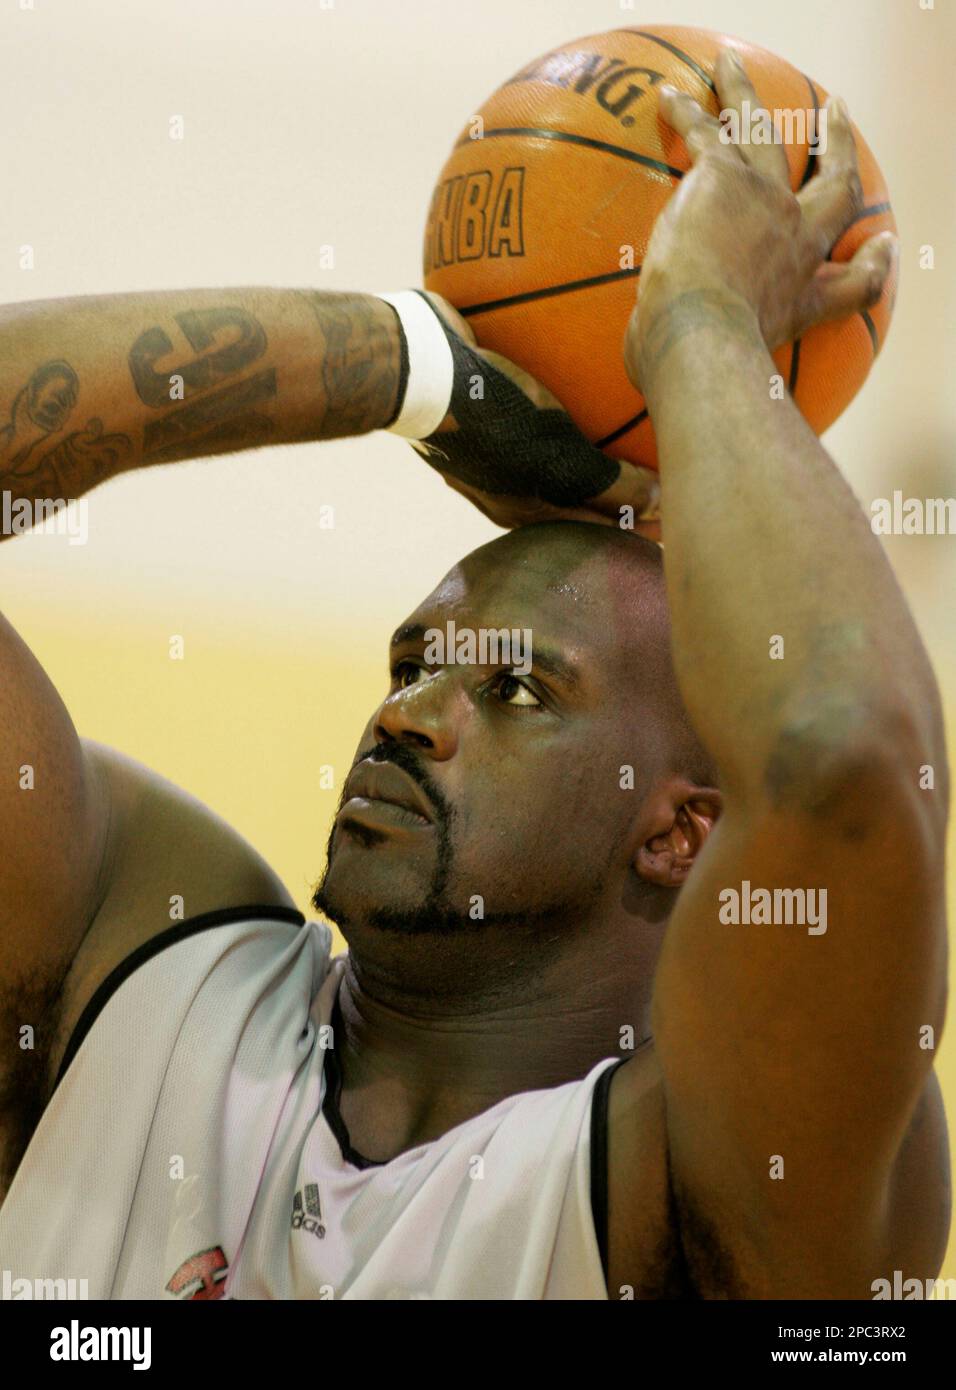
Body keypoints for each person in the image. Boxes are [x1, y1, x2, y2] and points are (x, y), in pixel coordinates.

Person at [0, 50, 948, 1300]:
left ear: (682, 829)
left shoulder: (688, 1187)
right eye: (410, 662)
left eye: (512, 687)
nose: (402, 715)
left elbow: (848, 771)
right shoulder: (134, 960)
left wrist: (697, 320)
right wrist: (418, 368)